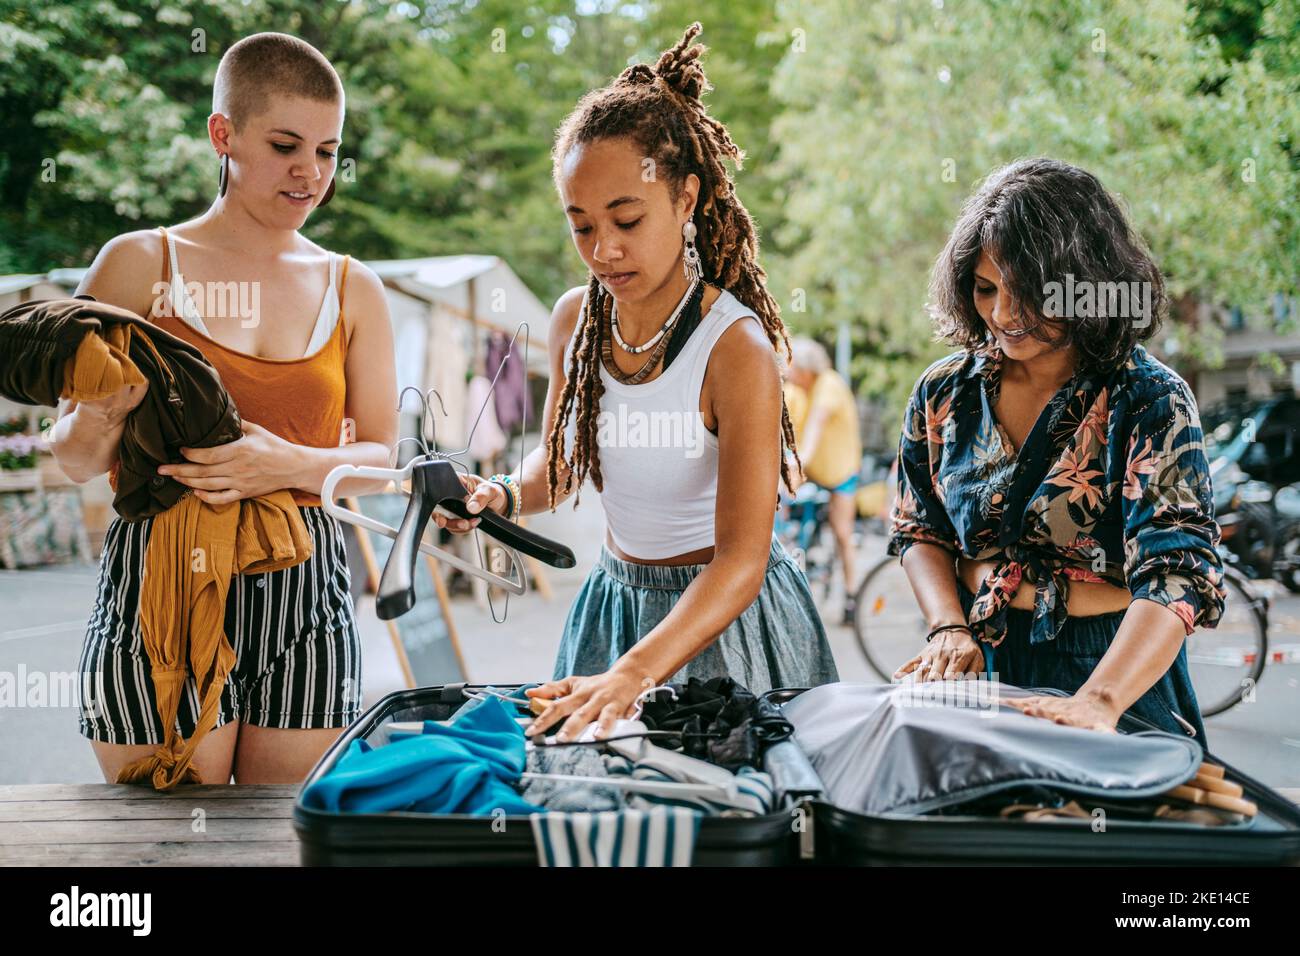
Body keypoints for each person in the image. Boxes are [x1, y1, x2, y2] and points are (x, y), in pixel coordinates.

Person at [439, 23, 838, 742]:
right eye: (581, 226)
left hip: (723, 618)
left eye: (626, 218)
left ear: (685, 200)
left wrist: (635, 673)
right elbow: (564, 462)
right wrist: (499, 494)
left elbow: (743, 559)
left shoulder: (735, 348)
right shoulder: (575, 322)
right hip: (613, 602)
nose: (604, 249)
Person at [49, 33, 399, 784]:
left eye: (329, 151)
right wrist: (106, 415)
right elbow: (73, 458)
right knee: (168, 843)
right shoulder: (139, 262)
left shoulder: (353, 286)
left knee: (282, 842)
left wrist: (290, 462)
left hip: (304, 585)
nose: (310, 172)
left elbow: (381, 461)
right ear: (223, 134)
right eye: (285, 145)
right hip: (163, 573)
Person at [889, 157, 1225, 746]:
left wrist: (1099, 701)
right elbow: (921, 528)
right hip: (983, 658)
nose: (1002, 315)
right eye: (985, 288)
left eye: (1027, 294)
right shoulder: (943, 391)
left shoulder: (1151, 399)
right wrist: (947, 627)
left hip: (1113, 668)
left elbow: (1179, 575)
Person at [783, 337, 863, 624]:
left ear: (806, 370)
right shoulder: (795, 390)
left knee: (842, 533)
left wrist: (798, 460)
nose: (787, 372)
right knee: (780, 512)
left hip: (840, 471)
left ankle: (852, 597)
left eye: (792, 367)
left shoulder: (829, 385)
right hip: (811, 472)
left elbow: (816, 426)